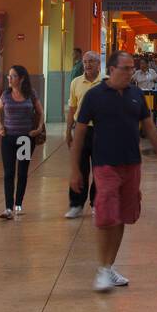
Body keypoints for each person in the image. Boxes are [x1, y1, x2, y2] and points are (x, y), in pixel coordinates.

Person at [69, 50, 157, 291]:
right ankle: (103, 269)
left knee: (123, 216)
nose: (129, 72)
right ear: (112, 69)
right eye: (125, 68)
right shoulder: (94, 96)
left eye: (131, 68)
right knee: (106, 216)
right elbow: (80, 133)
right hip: (105, 165)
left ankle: (109, 266)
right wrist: (75, 169)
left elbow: (149, 128)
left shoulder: (136, 95)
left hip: (132, 165)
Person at [0, 65, 45, 219]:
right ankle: (8, 207)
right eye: (9, 76)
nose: (9, 78)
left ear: (21, 79)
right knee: (9, 173)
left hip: (25, 139)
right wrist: (0, 126)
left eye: (13, 76)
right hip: (8, 138)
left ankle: (18, 203)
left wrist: (39, 128)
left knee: (22, 172)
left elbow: (40, 112)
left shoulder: (31, 94)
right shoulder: (6, 95)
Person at [65, 51, 102, 218]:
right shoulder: (75, 83)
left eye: (91, 61)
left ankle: (97, 203)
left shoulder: (105, 82)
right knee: (80, 168)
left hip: (100, 131)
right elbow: (72, 108)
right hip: (81, 130)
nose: (87, 64)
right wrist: (68, 131)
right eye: (85, 62)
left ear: (98, 63)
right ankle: (76, 204)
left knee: (99, 169)